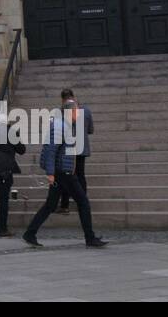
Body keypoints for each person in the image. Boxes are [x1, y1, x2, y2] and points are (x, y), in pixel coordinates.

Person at [23, 100, 107, 248]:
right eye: (76, 112)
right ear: (70, 112)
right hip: (63, 172)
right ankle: (90, 238)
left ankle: (30, 233)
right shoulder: (60, 126)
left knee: (50, 205)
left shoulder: (65, 125)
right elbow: (50, 150)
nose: (78, 114)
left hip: (63, 171)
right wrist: (50, 173)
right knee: (83, 202)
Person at [58, 87, 93, 214]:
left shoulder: (62, 111)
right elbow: (91, 130)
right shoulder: (86, 111)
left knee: (66, 176)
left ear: (63, 99)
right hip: (81, 147)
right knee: (80, 175)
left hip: (68, 147)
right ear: (73, 96)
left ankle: (64, 205)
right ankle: (82, 204)